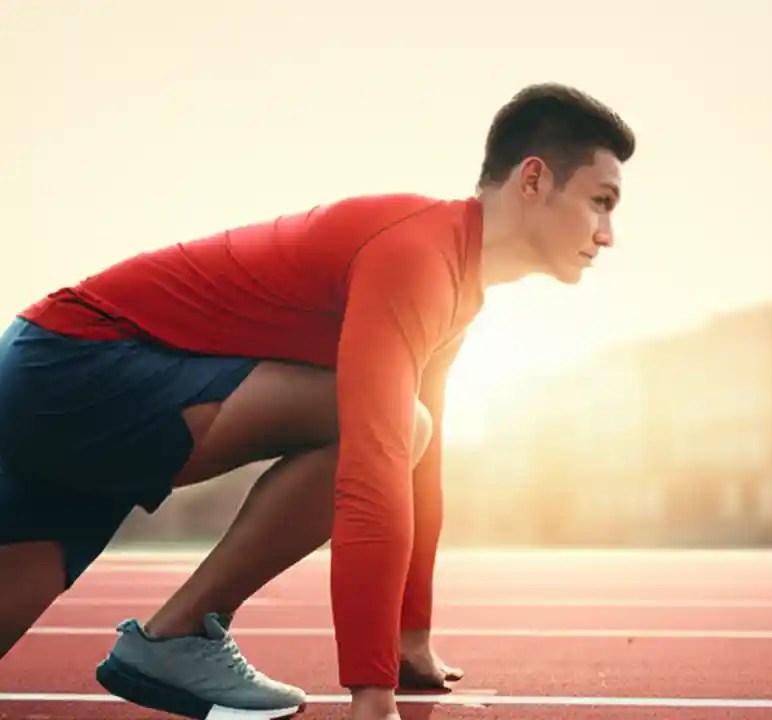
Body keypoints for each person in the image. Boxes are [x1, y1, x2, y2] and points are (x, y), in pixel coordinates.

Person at [0, 81, 633, 720]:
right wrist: (372, 694)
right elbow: (375, 464)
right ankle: (181, 632)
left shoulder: (456, 292)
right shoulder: (416, 254)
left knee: (412, 433)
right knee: (393, 431)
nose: (607, 234)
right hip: (79, 365)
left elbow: (422, 467)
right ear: (533, 181)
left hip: (56, 374)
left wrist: (409, 637)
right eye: (600, 203)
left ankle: (178, 636)